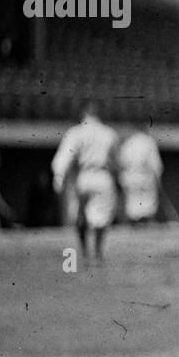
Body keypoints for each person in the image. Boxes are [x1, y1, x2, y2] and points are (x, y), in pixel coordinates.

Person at [51, 102, 120, 261]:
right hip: (102, 176)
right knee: (101, 217)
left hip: (83, 177)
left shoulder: (76, 132)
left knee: (81, 215)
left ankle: (84, 252)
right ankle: (97, 252)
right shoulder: (109, 133)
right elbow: (116, 162)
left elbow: (64, 156)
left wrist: (59, 176)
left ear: (84, 115)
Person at [118, 127, 164, 225]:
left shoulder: (128, 141)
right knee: (147, 202)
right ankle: (145, 223)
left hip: (129, 176)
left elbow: (121, 161)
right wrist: (158, 178)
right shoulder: (148, 141)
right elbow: (155, 163)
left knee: (132, 202)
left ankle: (134, 223)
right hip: (144, 176)